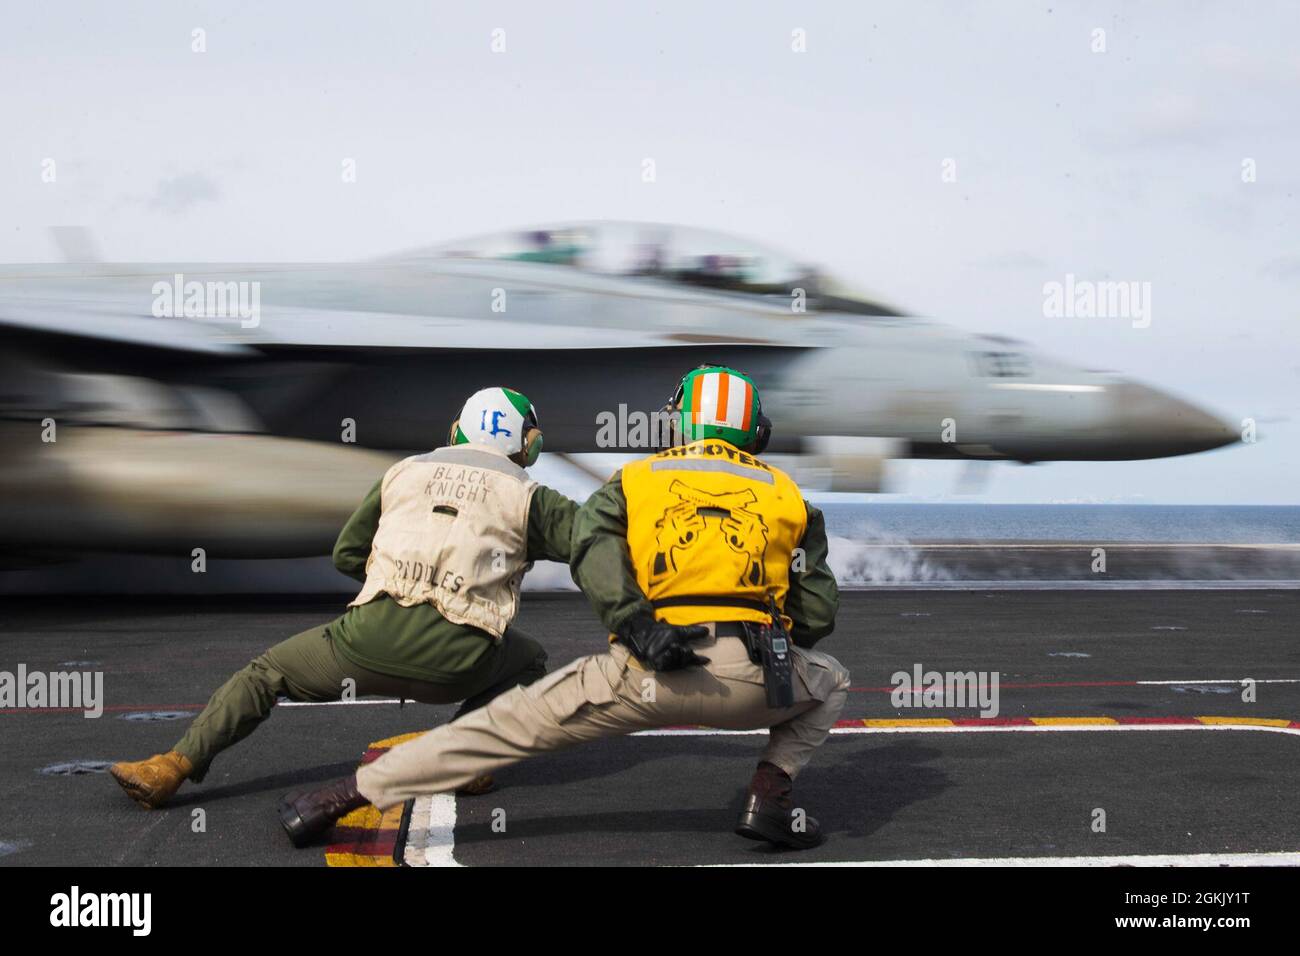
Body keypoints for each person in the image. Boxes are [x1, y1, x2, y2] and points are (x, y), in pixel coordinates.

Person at [278, 365, 849, 851]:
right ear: (756, 432)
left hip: (641, 672)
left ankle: (331, 799)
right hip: (753, 681)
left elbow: (589, 548)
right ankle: (770, 797)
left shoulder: (635, 480)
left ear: (680, 423)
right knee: (833, 680)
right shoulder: (791, 498)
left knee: (497, 729)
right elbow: (818, 616)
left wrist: (633, 622)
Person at [110, 386, 575, 809]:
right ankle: (467, 763)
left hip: (362, 646)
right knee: (530, 660)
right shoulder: (531, 496)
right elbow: (593, 542)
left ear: (455, 431)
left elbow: (347, 553)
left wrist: (390, 591)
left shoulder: (404, 473)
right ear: (529, 444)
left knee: (263, 675)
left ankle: (169, 768)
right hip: (460, 664)